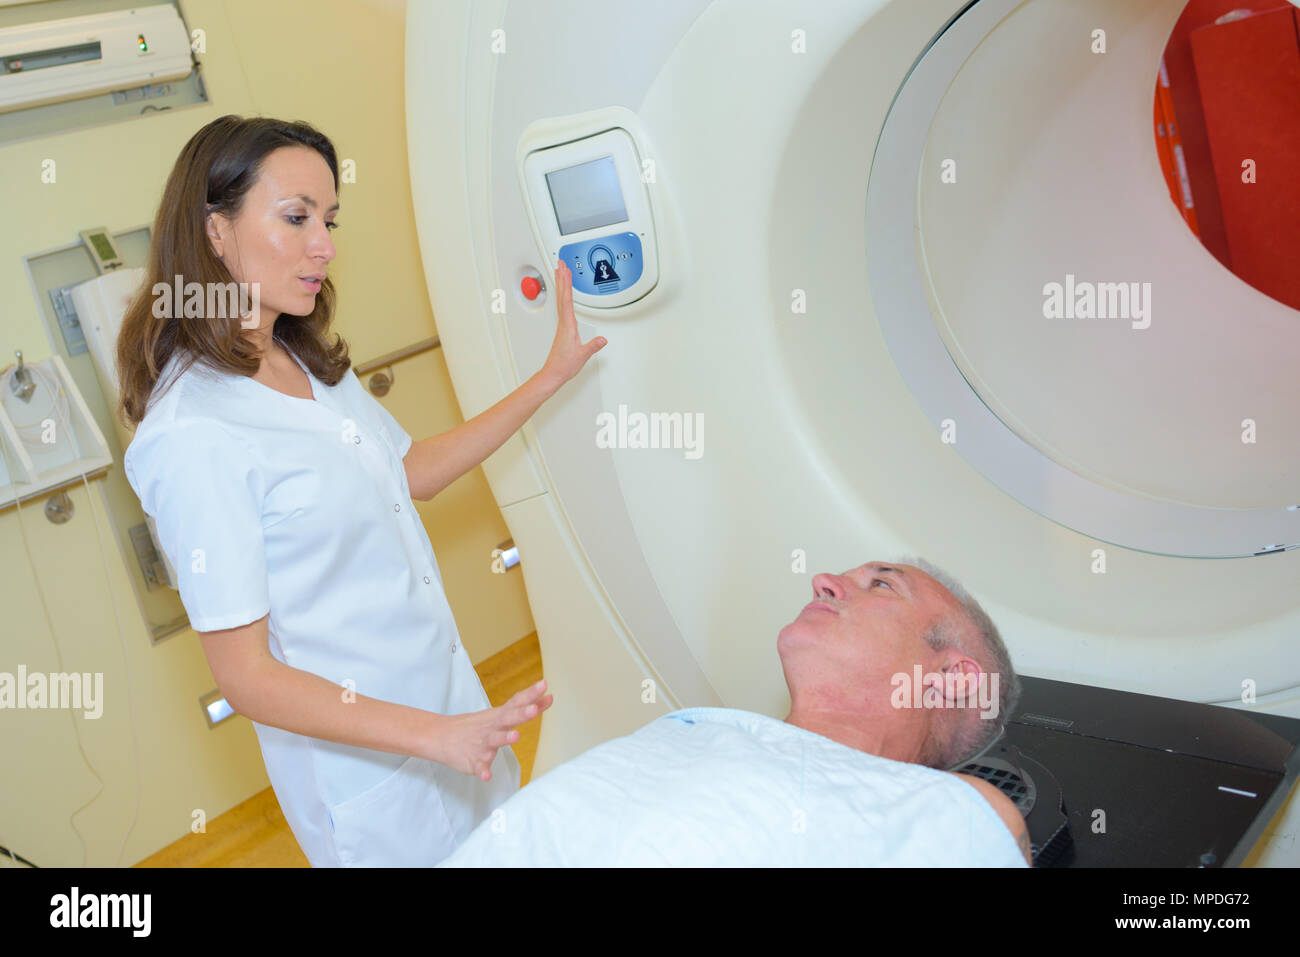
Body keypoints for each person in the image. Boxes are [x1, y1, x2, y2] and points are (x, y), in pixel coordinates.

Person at [117, 115, 604, 867]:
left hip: (451, 715)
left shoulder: (300, 361)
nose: (325, 245)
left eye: (330, 219)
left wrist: (549, 379)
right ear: (215, 232)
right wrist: (434, 735)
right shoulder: (191, 433)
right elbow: (245, 676)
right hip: (375, 776)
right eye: (296, 217)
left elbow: (408, 474)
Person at [441, 558, 1032, 866]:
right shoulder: (692, 732)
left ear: (955, 678)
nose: (824, 580)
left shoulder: (959, 811)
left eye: (881, 585)